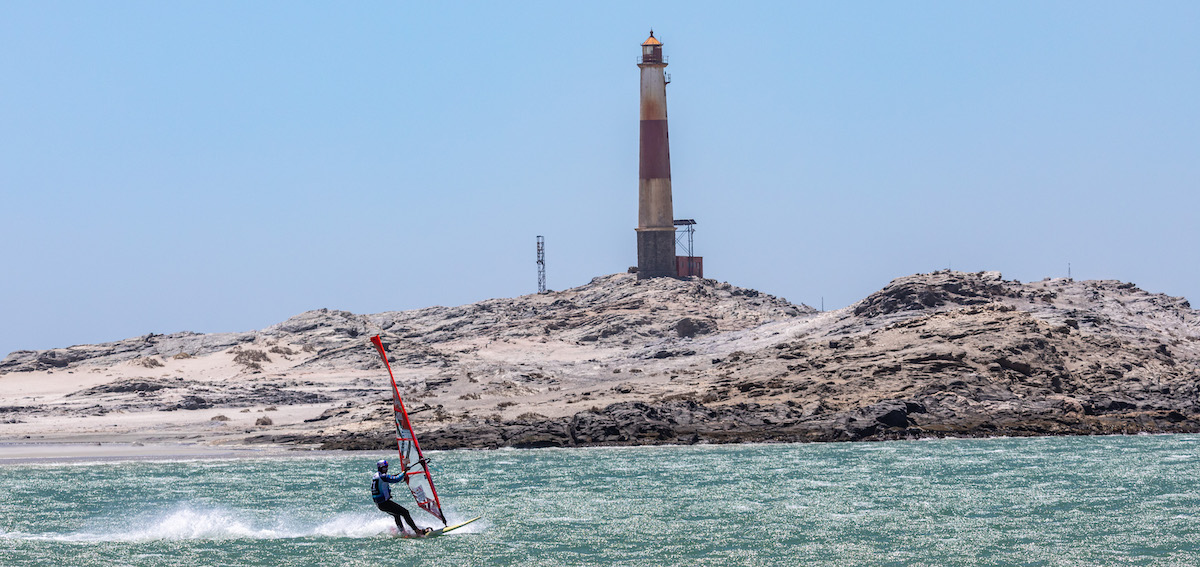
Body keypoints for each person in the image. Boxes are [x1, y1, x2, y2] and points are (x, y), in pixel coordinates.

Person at [371, 459, 432, 535]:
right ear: (380, 468)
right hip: (384, 503)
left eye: (387, 467)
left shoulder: (376, 475)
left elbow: (392, 477)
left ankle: (403, 532)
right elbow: (396, 479)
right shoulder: (383, 476)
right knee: (405, 512)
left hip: (380, 504)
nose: (386, 469)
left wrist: (403, 473)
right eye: (384, 468)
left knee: (396, 514)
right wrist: (404, 472)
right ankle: (417, 531)